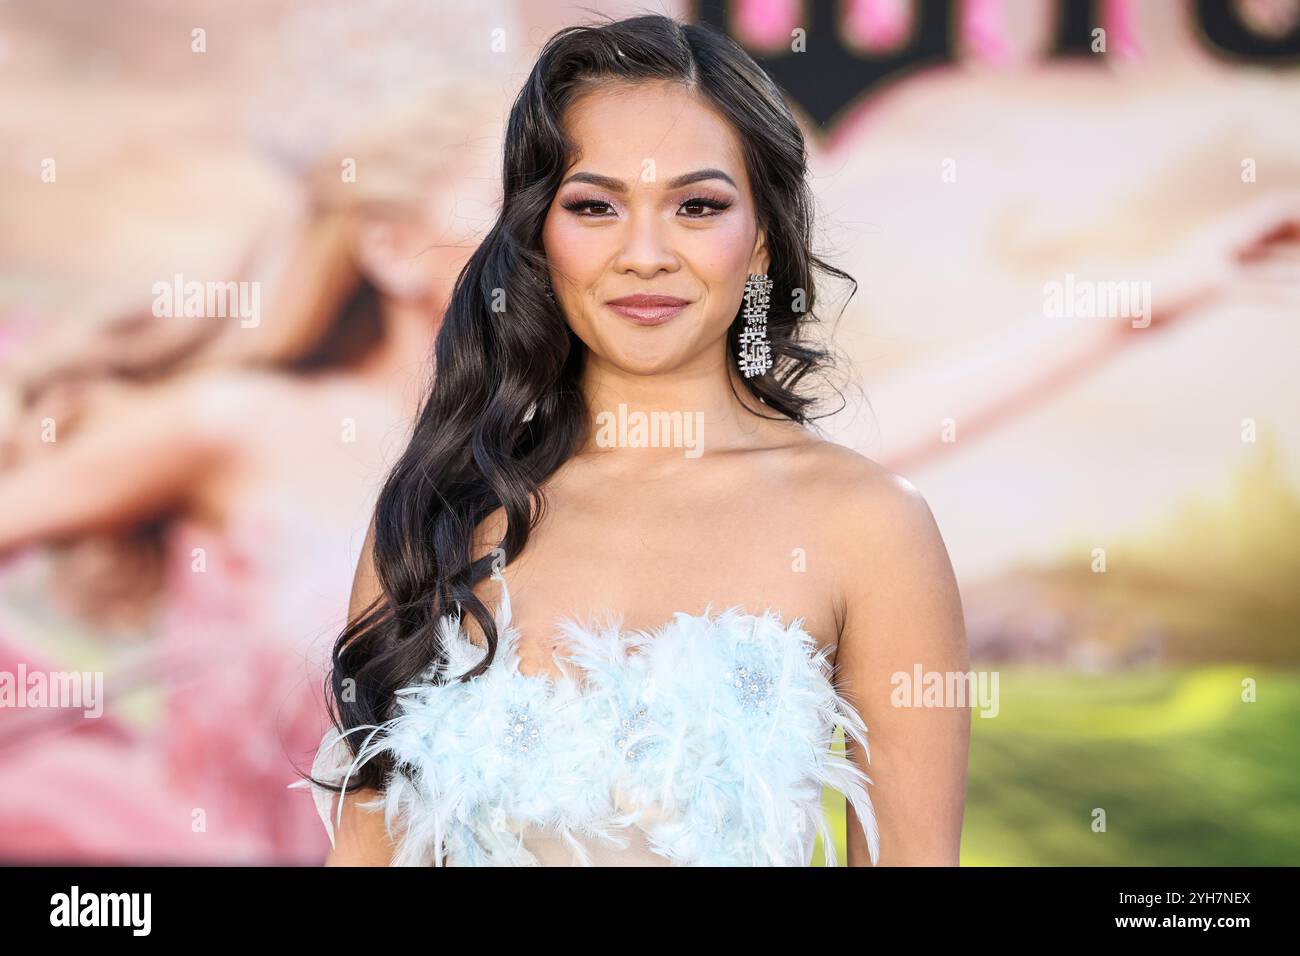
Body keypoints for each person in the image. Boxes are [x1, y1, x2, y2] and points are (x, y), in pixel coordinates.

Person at [298, 13, 969, 867]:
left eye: (697, 205)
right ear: (539, 235)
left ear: (761, 239)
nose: (644, 253)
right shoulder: (443, 509)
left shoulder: (869, 526)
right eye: (595, 205)